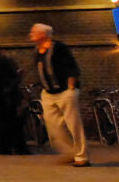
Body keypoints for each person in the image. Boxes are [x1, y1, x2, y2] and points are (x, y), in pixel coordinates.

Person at [28, 23, 87, 167]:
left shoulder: (58, 47)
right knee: (53, 126)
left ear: (44, 34)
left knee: (73, 124)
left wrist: (71, 87)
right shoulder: (37, 50)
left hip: (65, 91)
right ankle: (69, 151)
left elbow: (71, 66)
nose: (31, 34)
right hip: (48, 93)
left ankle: (81, 156)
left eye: (34, 32)